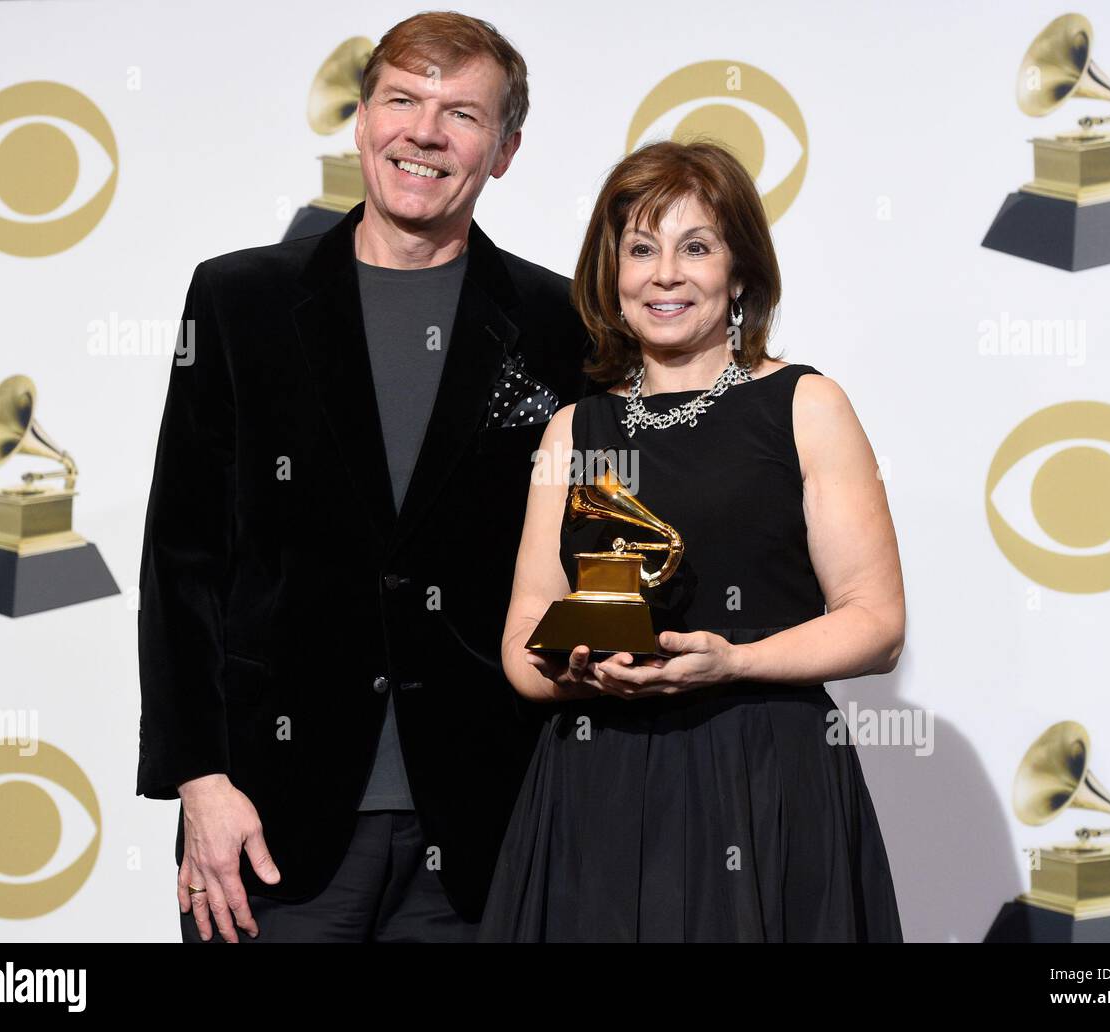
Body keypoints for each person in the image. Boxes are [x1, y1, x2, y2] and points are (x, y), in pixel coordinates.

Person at [136, 12, 595, 943]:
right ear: (362, 120)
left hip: (484, 828)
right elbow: (182, 558)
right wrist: (202, 782)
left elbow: (586, 553)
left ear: (504, 151)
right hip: (269, 823)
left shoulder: (559, 322)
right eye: (403, 100)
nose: (425, 132)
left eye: (462, 114)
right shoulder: (238, 302)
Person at [479, 140, 905, 942]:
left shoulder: (804, 404)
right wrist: (581, 674)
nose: (664, 274)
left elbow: (876, 623)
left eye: (695, 247)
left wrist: (734, 660)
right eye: (640, 249)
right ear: (612, 273)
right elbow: (521, 635)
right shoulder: (574, 429)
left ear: (740, 269)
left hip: (763, 774)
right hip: (595, 784)